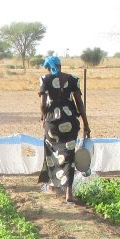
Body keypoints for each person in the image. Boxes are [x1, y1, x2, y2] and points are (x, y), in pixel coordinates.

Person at [38, 55, 91, 203]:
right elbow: (79, 103)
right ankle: (69, 192)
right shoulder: (73, 79)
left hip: (52, 124)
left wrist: (43, 116)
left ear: (49, 68)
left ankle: (53, 186)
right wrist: (86, 123)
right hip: (70, 123)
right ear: (60, 66)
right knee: (69, 155)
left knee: (51, 151)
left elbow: (43, 104)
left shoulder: (45, 79)